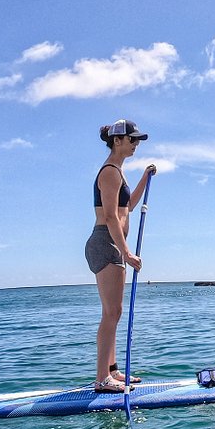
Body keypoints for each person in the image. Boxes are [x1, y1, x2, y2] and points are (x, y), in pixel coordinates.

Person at [85, 119, 157, 392]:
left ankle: (112, 372)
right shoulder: (110, 173)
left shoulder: (119, 173)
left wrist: (144, 178)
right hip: (106, 242)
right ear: (117, 141)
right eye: (132, 139)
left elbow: (129, 205)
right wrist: (126, 252)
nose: (135, 144)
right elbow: (113, 217)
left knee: (114, 312)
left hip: (111, 243)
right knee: (111, 313)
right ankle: (102, 378)